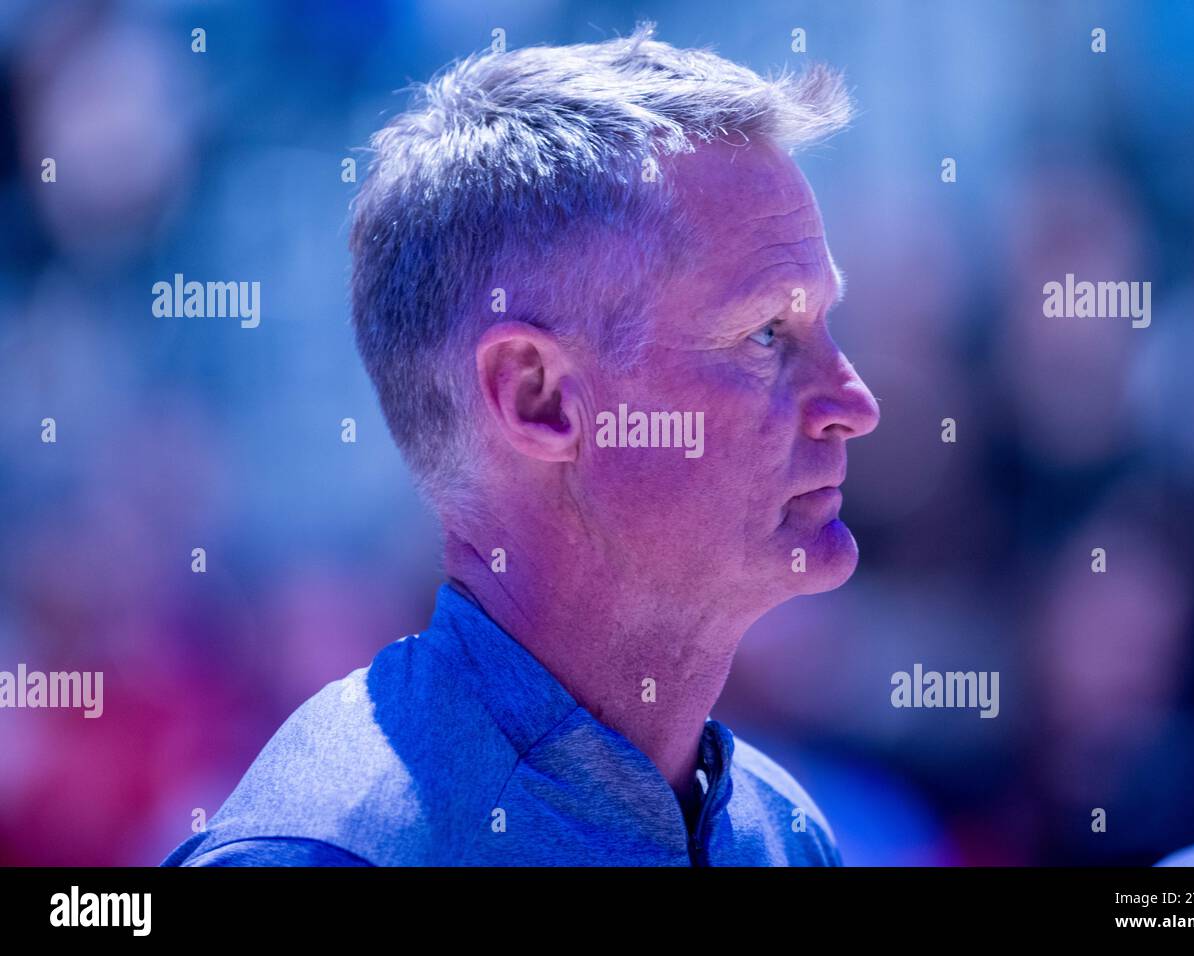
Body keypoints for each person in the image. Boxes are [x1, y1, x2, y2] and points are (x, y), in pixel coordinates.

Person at [162, 24, 879, 867]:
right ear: (537, 398)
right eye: (766, 333)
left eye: (823, 323)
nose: (853, 404)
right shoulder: (317, 856)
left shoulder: (784, 831)